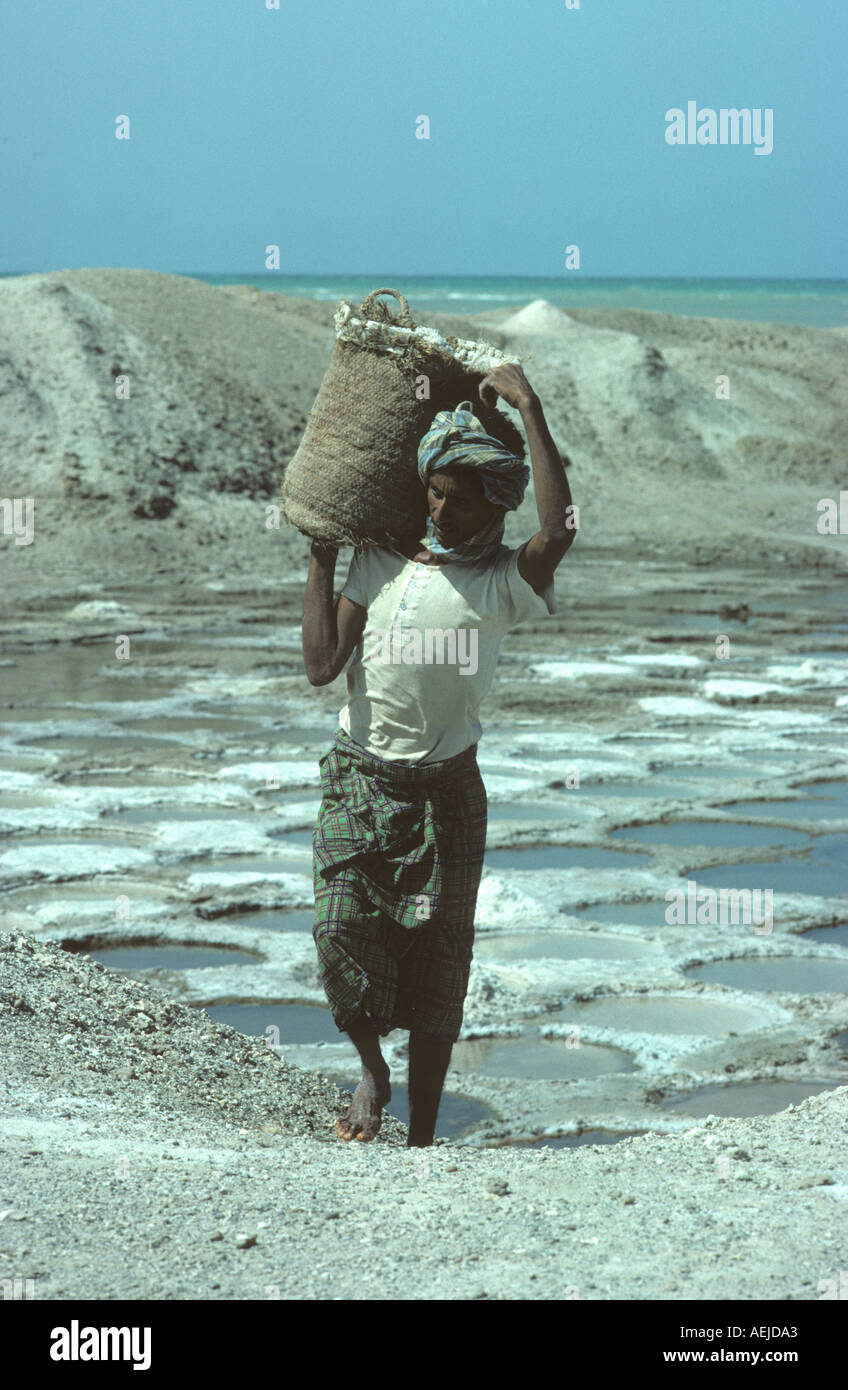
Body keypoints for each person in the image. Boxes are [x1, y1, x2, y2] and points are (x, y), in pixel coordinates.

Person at [301, 362, 576, 1146]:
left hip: (448, 793)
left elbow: (559, 530)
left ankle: (422, 1134)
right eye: (433, 491)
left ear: (493, 500)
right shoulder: (380, 562)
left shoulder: (501, 582)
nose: (440, 507)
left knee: (439, 969)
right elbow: (322, 667)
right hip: (359, 778)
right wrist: (321, 559)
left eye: (457, 496)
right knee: (338, 931)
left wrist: (530, 406)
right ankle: (370, 1071)